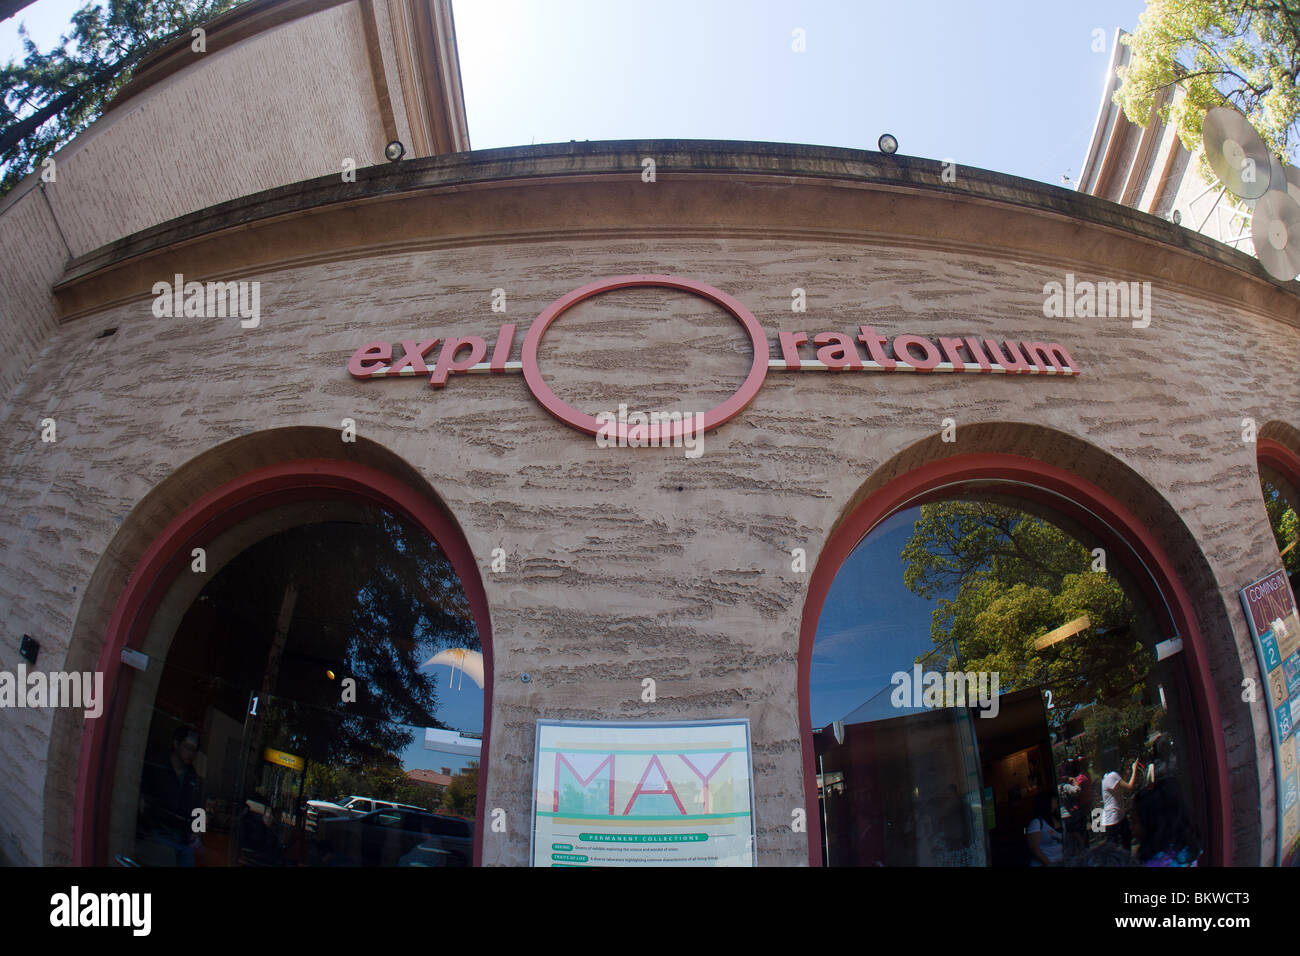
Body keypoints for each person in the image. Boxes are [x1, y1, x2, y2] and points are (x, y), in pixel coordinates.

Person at [138, 725, 204, 866]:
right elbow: (143, 798)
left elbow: (199, 809)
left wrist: (197, 834)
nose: (191, 754)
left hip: (184, 841)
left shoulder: (193, 778)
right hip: (158, 835)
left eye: (194, 750)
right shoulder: (158, 767)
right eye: (187, 747)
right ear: (176, 744)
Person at [1132, 778, 1201, 867]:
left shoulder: (1155, 863)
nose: (1131, 827)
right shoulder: (1185, 848)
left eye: (1135, 822)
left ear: (1153, 826)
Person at [1101, 757, 1142, 848]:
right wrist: (1134, 769)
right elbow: (1130, 787)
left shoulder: (1106, 777)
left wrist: (1128, 773)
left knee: (1125, 840)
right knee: (1123, 843)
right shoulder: (1112, 776)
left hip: (1116, 816)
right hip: (1114, 817)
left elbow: (1125, 789)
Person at [1026, 791, 1064, 866]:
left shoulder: (1057, 819)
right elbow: (1034, 849)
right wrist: (1049, 864)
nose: (1056, 800)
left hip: (1060, 861)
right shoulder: (1036, 823)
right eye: (1053, 799)